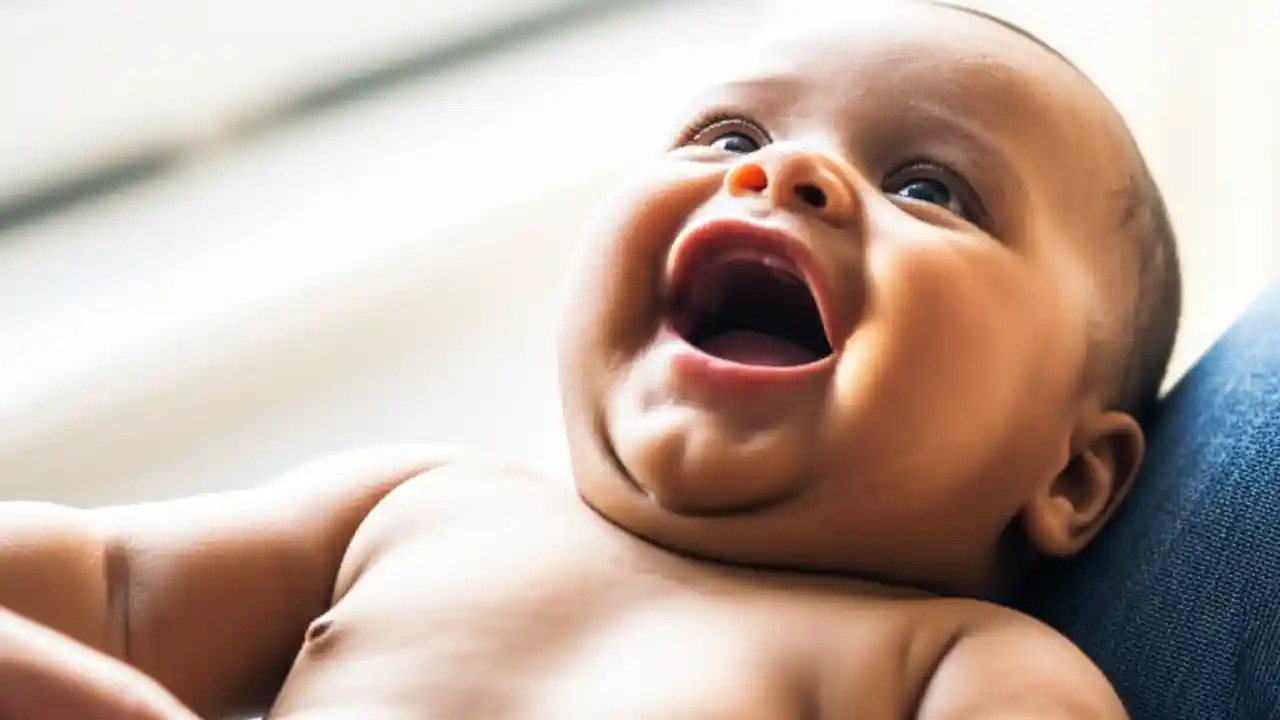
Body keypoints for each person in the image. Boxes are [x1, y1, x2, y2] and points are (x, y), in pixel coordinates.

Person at [0, 2, 1182, 717]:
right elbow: (114, 590)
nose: (779, 172)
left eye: (929, 188)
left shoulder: (950, 669)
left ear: (1070, 476)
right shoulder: (408, 510)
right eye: (729, 133)